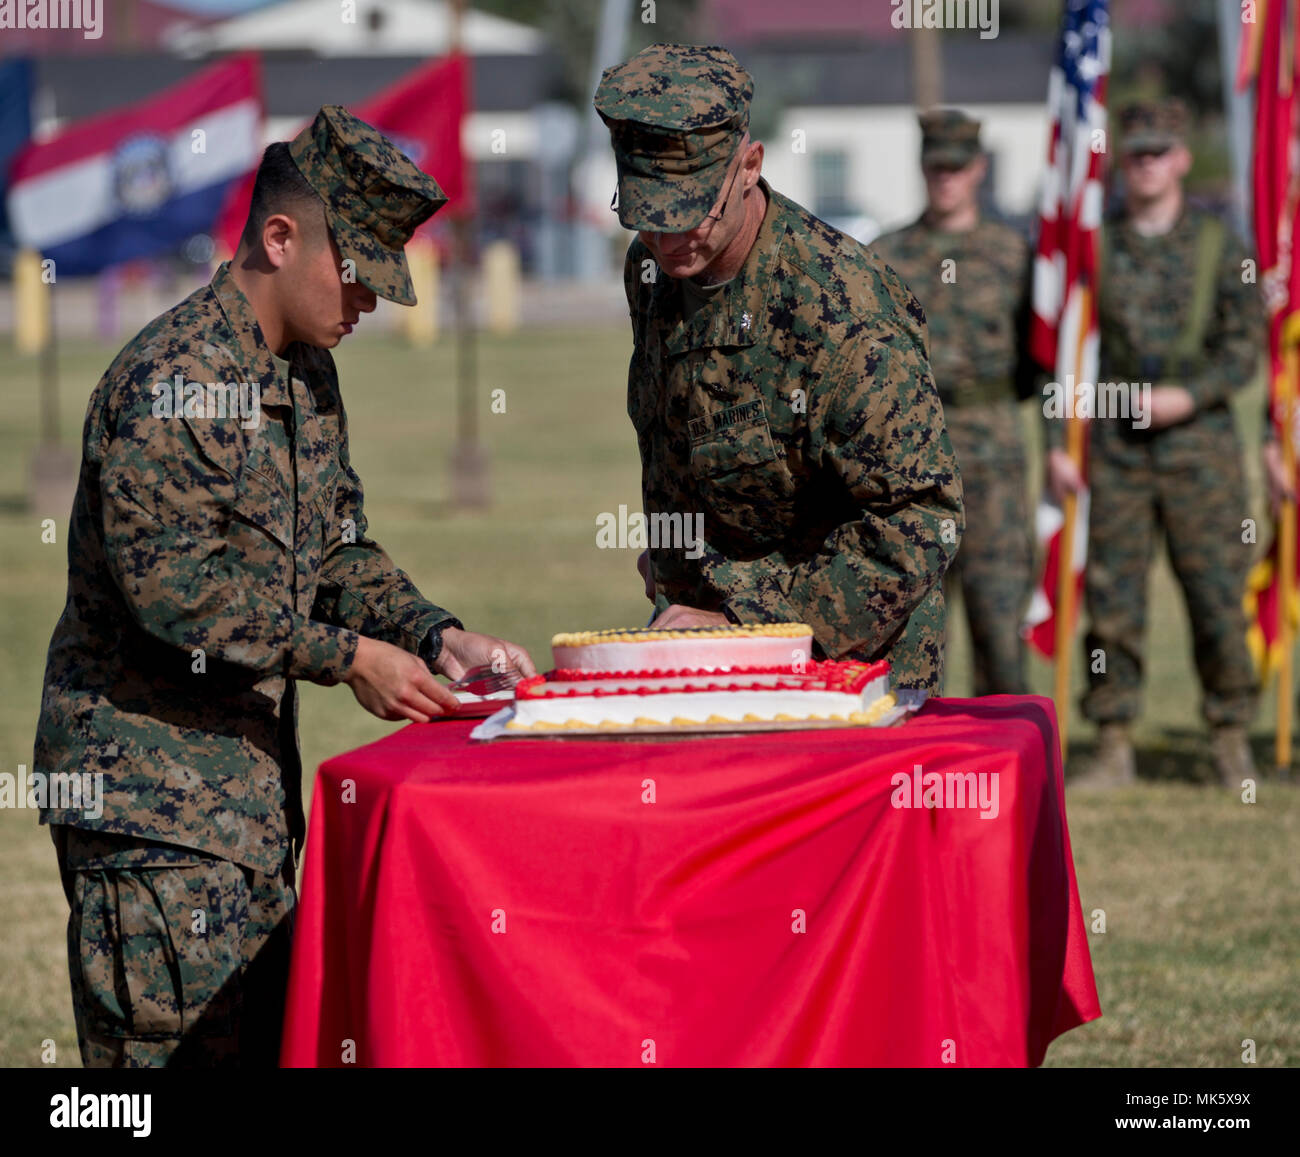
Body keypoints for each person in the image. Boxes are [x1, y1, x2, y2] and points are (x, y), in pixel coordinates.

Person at [33, 106, 535, 1067]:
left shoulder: (302, 374)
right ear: (279, 237)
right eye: (355, 276)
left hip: (245, 811)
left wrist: (434, 636)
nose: (370, 305)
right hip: (151, 814)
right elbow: (173, 591)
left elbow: (335, 552)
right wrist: (348, 659)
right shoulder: (173, 380)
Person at [598, 44, 963, 693]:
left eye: (686, 213)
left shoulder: (841, 310)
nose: (666, 238)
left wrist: (746, 625)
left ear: (749, 166)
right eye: (644, 216)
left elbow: (919, 521)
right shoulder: (652, 269)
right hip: (701, 646)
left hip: (849, 667)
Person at [1047, 98, 1264, 788]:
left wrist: (1189, 396)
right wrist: (1060, 440)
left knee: (1215, 596)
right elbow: (1067, 352)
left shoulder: (1218, 247)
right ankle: (1113, 739)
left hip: (1201, 448)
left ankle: (1231, 733)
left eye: (1158, 152)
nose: (1146, 164)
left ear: (1180, 159)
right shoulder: (1095, 246)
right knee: (1114, 601)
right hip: (1117, 447)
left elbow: (1243, 348)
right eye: (1135, 153)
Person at [873, 109, 1036, 696]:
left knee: (999, 623)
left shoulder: (1016, 256)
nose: (946, 178)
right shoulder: (885, 255)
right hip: (912, 464)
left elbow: (1041, 361)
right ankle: (922, 767)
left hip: (994, 462)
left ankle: (1010, 761)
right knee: (913, 630)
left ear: (979, 170)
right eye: (936, 166)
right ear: (922, 168)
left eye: (958, 167)